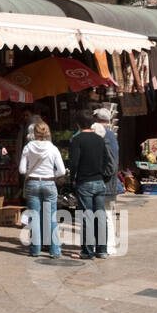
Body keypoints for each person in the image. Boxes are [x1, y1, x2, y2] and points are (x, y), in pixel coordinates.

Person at [68, 111, 110, 259]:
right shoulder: (99, 139)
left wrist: (72, 178)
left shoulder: (77, 140)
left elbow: (74, 163)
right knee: (100, 216)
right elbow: (106, 160)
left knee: (87, 217)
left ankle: (87, 251)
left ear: (78, 124)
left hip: (84, 182)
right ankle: (102, 250)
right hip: (99, 181)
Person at [20, 121, 65, 258]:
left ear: (34, 133)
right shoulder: (53, 149)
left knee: (35, 216)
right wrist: (51, 175)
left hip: (33, 183)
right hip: (49, 183)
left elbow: (22, 170)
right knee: (51, 217)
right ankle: (54, 250)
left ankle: (35, 249)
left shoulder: (28, 147)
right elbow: (62, 171)